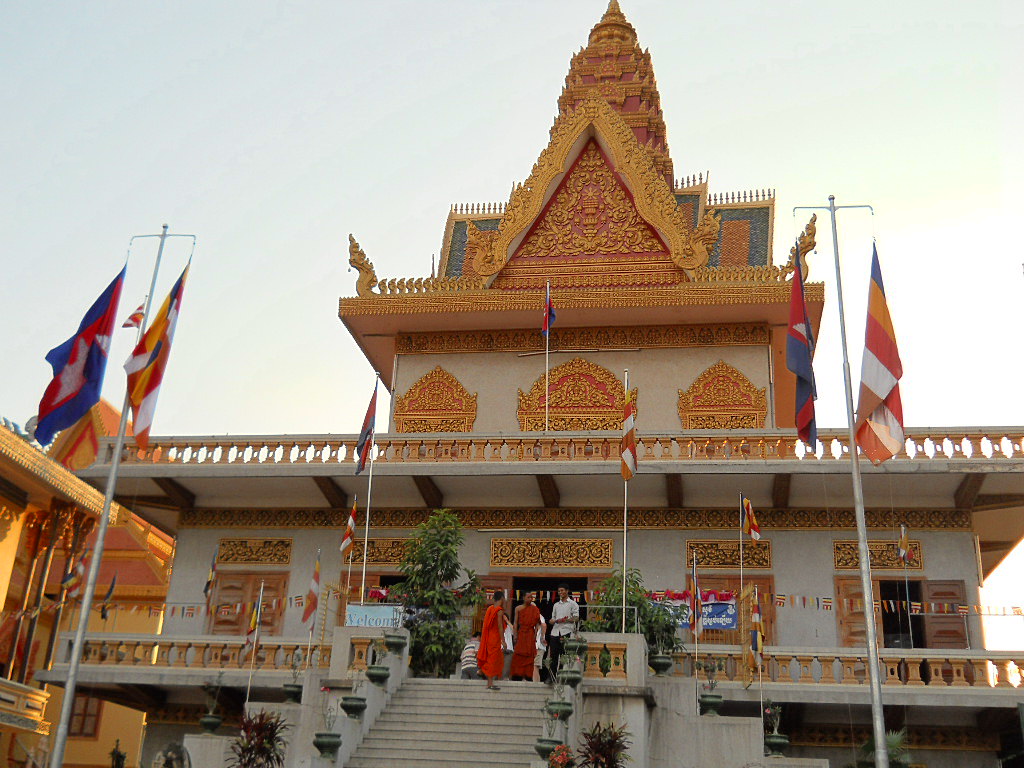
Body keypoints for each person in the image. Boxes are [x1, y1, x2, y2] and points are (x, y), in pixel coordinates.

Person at [510, 591, 545, 681]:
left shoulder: (535, 609)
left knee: (530, 656)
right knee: (518, 654)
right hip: (521, 633)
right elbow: (515, 622)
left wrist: (536, 634)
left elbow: (538, 623)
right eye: (528, 597)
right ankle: (517, 676)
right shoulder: (518, 608)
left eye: (531, 597)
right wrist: (515, 635)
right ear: (523, 598)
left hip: (530, 634)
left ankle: (527, 676)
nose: (530, 599)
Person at [477, 590, 508, 690]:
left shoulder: (490, 608)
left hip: (488, 637)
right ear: (502, 598)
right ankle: (489, 684)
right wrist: (503, 640)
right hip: (495, 638)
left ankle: (482, 671)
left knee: (493, 658)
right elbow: (500, 626)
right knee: (493, 660)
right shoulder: (499, 610)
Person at [547, 583, 579, 674]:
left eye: (562, 590)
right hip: (555, 632)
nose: (560, 592)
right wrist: (552, 621)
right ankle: (551, 677)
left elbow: (576, 618)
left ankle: (562, 675)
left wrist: (566, 620)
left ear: (567, 591)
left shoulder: (573, 604)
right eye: (559, 591)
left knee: (564, 655)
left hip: (566, 631)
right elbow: (553, 618)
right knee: (553, 656)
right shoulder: (556, 605)